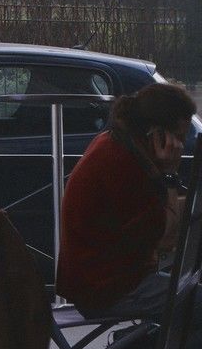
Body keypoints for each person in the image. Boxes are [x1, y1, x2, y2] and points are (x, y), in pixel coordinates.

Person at [59, 79, 196, 324]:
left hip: (107, 278)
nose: (181, 146)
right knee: (195, 299)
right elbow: (165, 238)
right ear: (157, 133)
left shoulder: (116, 144)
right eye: (178, 137)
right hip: (110, 289)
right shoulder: (123, 164)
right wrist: (171, 174)